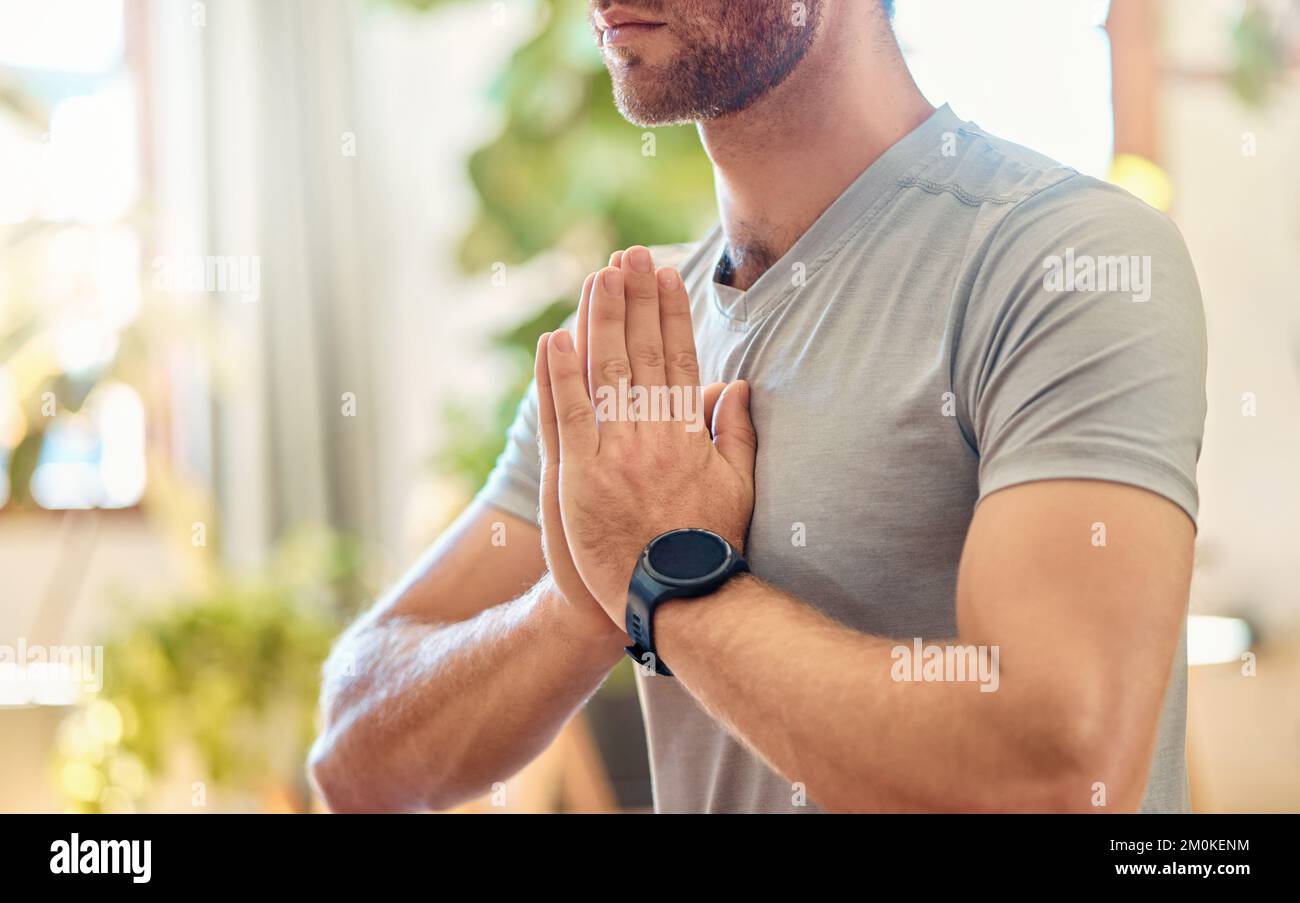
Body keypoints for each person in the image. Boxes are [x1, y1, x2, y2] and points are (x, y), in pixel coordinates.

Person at [309, 0, 1206, 813]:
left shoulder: (1065, 260)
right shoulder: (637, 337)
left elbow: (1053, 774)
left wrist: (668, 582)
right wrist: (592, 592)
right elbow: (355, 757)